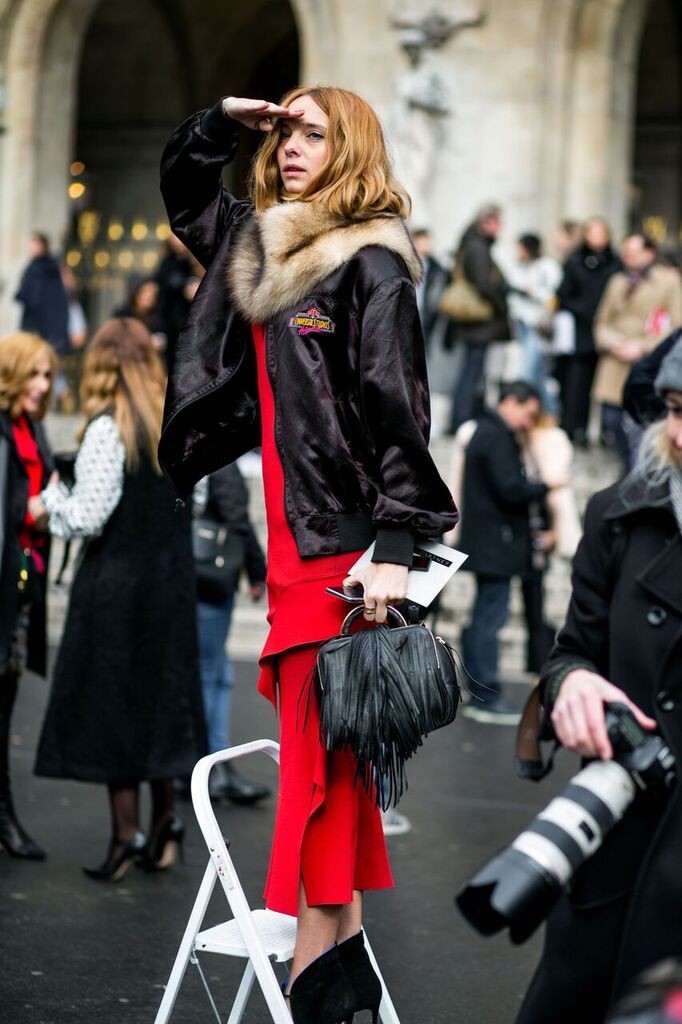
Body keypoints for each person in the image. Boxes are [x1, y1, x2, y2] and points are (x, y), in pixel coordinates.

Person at [159, 88, 457, 1023]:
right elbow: (183, 195)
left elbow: (400, 410)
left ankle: (312, 986)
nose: (291, 147)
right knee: (329, 775)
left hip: (345, 555)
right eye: (285, 133)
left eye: (313, 134)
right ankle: (340, 985)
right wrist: (222, 122)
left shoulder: (372, 263)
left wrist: (397, 547)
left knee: (320, 773)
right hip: (292, 545)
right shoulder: (267, 246)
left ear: (351, 148)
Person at [516, 335, 682, 1024]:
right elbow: (569, 653)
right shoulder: (619, 515)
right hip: (618, 859)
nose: (679, 432)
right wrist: (575, 684)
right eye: (674, 407)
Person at [33, 317, 206, 881]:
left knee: (115, 707)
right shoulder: (178, 429)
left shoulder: (110, 429)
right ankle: (165, 823)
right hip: (170, 590)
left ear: (103, 365)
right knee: (158, 707)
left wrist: (48, 503)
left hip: (117, 590)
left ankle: (125, 834)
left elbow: (87, 515)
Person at [458, 381, 561, 724]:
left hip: (487, 543)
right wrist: (547, 485)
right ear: (512, 403)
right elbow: (510, 489)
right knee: (490, 619)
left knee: (483, 618)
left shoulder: (484, 431)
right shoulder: (496, 436)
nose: (528, 423)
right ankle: (484, 692)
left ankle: (477, 689)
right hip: (495, 545)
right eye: (528, 414)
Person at [0, 332, 56, 860]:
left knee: (7, 701)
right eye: (34, 374)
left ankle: (4, 815)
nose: (42, 385)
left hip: (19, 584)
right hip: (5, 580)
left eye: (47, 374)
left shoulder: (30, 429)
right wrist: (33, 508)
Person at [193, 463, 270, 804]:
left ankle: (210, 765)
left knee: (217, 672)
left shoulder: (186, 451)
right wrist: (257, 571)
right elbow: (237, 519)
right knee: (211, 675)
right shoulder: (220, 463)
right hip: (209, 582)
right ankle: (214, 767)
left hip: (189, 577)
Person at [593, 234, 682, 471]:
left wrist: (642, 346)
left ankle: (637, 474)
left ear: (649, 253)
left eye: (633, 251)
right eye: (626, 251)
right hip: (615, 361)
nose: (627, 256)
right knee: (611, 421)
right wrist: (614, 343)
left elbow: (675, 326)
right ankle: (628, 468)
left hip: (647, 360)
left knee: (642, 425)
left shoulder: (668, 281)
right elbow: (602, 322)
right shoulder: (617, 282)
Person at [555, 216, 622, 445]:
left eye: (601, 232)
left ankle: (608, 431)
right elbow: (563, 295)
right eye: (593, 232)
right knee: (577, 385)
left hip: (608, 333)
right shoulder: (575, 261)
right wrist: (584, 309)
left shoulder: (615, 263)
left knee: (607, 385)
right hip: (581, 333)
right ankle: (575, 428)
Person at [447, 203, 510, 434]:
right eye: (498, 222)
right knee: (472, 372)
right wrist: (501, 305)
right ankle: (463, 419)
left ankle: (465, 417)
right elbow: (484, 284)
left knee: (473, 370)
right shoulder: (477, 246)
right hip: (479, 322)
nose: (500, 228)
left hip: (476, 323)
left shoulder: (473, 244)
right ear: (487, 222)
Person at [507, 232, 562, 415]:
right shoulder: (519, 267)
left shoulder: (547, 267)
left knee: (527, 370)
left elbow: (553, 294)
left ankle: (523, 408)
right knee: (538, 372)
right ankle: (551, 410)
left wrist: (532, 293)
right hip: (521, 323)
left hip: (538, 324)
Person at [15, 233, 71, 409]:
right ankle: (60, 394)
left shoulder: (35, 269)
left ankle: (55, 396)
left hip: (37, 326)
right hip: (50, 327)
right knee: (47, 362)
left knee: (36, 363)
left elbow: (28, 296)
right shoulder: (54, 269)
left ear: (42, 245)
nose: (30, 249)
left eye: (33, 244)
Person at [114, 277, 167, 353]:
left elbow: (162, 338)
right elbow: (116, 338)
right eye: (145, 292)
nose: (149, 297)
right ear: (136, 292)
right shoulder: (123, 314)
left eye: (153, 294)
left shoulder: (157, 315)